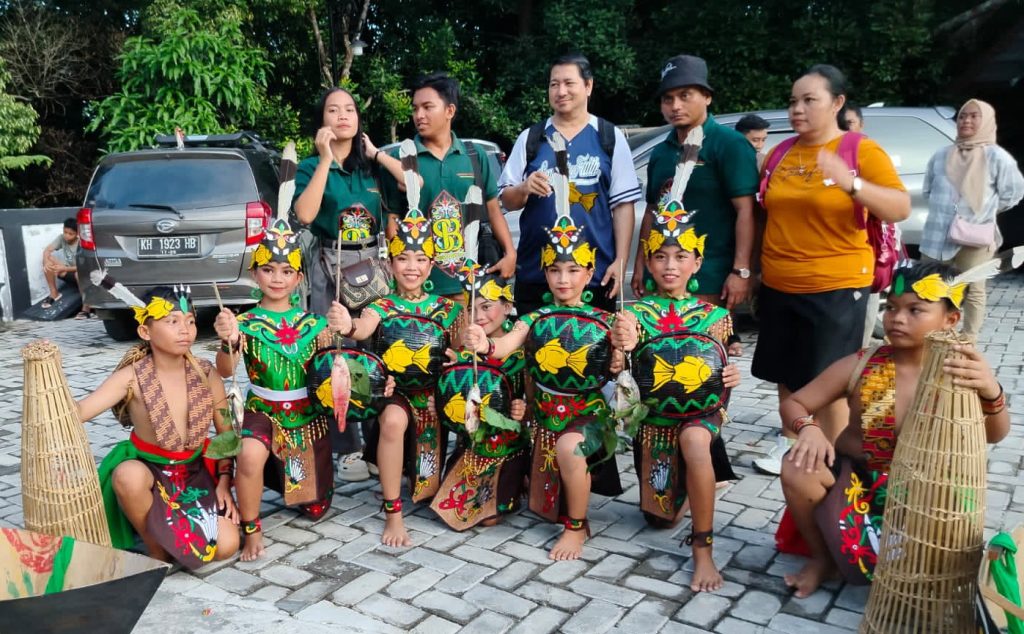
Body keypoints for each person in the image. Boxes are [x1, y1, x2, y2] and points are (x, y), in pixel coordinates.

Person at [778, 262, 1010, 597]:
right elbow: (795, 403)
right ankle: (822, 558)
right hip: (855, 482)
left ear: (951, 319)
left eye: (915, 310)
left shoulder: (958, 371)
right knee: (797, 466)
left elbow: (995, 434)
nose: (897, 318)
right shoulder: (862, 362)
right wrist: (809, 428)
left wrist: (992, 392)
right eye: (891, 308)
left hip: (923, 491)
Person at [751, 64, 910, 475]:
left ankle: (841, 472)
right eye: (792, 101)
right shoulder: (780, 153)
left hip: (836, 288)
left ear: (837, 103)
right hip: (780, 286)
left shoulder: (860, 150)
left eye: (809, 100)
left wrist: (852, 184)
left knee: (831, 385)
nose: (797, 109)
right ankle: (795, 454)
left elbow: (898, 207)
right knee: (787, 376)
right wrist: (753, 273)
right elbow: (765, 217)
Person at [464, 214, 623, 560]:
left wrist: (623, 351)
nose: (563, 279)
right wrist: (484, 344)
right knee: (557, 458)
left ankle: (576, 527)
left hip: (591, 417)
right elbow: (504, 345)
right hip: (545, 417)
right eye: (554, 270)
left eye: (572, 270)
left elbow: (626, 358)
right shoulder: (533, 318)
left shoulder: (608, 320)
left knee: (569, 449)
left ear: (590, 271)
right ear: (545, 272)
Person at [612, 205, 741, 592]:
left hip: (701, 414)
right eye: (660, 256)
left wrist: (730, 380)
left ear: (697, 263)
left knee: (694, 440)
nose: (671, 265)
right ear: (648, 263)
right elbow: (618, 369)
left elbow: (720, 372)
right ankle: (694, 483)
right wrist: (623, 348)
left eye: (681, 256)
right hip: (654, 417)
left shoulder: (714, 314)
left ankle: (703, 548)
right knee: (659, 519)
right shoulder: (636, 314)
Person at [291, 87, 407, 483]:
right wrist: (325, 160)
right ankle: (345, 447)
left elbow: (412, 184)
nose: (343, 115)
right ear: (321, 120)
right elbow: (305, 214)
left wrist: (376, 154)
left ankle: (378, 445)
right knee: (337, 350)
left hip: (374, 265)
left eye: (350, 109)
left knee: (377, 349)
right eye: (332, 110)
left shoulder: (370, 168)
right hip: (329, 266)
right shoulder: (311, 165)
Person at [213, 218, 347, 561]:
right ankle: (252, 526)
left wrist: (337, 334)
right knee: (249, 454)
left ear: (299, 278)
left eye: (287, 271)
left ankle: (279, 479)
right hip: (263, 411)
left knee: (315, 509)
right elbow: (225, 370)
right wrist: (227, 341)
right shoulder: (243, 323)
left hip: (307, 415)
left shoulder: (316, 324)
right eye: (269, 269)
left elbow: (334, 373)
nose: (277, 278)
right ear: (255, 274)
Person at [333, 206, 464, 547]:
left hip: (434, 395)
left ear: (431, 265)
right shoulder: (381, 305)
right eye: (403, 258)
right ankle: (393, 512)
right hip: (396, 392)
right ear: (390, 264)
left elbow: (463, 353)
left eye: (421, 259)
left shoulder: (449, 309)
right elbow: (363, 329)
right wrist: (347, 324)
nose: (412, 267)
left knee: (427, 490)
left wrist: (464, 353)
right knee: (391, 421)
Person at [82, 285, 240, 569]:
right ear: (145, 332)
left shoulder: (206, 373)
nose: (185, 330)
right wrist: (49, 387)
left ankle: (176, 530)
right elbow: (81, 411)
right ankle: (157, 549)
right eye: (172, 322)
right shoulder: (131, 377)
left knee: (227, 544)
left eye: (190, 321)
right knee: (127, 475)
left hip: (194, 475)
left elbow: (226, 435)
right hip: (150, 473)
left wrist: (225, 483)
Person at [629, 54, 758, 357]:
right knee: (657, 355)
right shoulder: (661, 152)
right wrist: (639, 265)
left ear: (707, 97)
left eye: (685, 96)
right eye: (668, 98)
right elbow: (651, 211)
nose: (675, 106)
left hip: (710, 273)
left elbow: (747, 211)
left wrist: (741, 272)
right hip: (661, 271)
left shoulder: (729, 144)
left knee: (703, 362)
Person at [499, 53, 641, 314]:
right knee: (536, 348)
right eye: (554, 84)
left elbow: (622, 205)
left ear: (588, 86)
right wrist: (524, 188)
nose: (560, 91)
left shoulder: (609, 137)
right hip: (537, 272)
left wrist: (620, 261)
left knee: (593, 350)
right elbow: (506, 199)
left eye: (568, 83)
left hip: (594, 274)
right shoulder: (531, 137)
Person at [380, 72, 516, 300]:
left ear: (449, 111)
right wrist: (401, 272)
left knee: (467, 336)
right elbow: (392, 219)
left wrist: (510, 253)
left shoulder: (474, 156)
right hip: (419, 287)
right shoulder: (402, 159)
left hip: (469, 281)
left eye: (427, 107)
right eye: (415, 109)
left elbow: (493, 209)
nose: (419, 115)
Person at [430, 268, 529, 530]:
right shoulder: (463, 352)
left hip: (509, 444)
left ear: (507, 307)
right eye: (471, 309)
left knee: (490, 517)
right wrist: (439, 403)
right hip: (472, 445)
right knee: (454, 507)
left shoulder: (521, 345)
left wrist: (524, 409)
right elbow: (453, 397)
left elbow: (537, 395)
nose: (478, 317)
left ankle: (522, 476)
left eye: (487, 307)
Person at [920, 99, 1024, 337]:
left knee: (974, 289)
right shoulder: (941, 155)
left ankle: (968, 341)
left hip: (975, 238)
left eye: (974, 116)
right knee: (931, 288)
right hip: (937, 236)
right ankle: (931, 337)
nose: (966, 120)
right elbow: (928, 190)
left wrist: (985, 210)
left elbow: (1014, 193)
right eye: (962, 116)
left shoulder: (997, 157)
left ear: (986, 120)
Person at [42, 218, 91, 317]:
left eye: (70, 234)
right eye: (65, 232)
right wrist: (47, 262)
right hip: (67, 271)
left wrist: (63, 268)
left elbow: (83, 266)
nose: (67, 236)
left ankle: (86, 307)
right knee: (48, 258)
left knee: (78, 274)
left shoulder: (81, 243)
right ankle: (54, 293)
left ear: (77, 234)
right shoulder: (61, 238)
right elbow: (47, 250)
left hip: (82, 275)